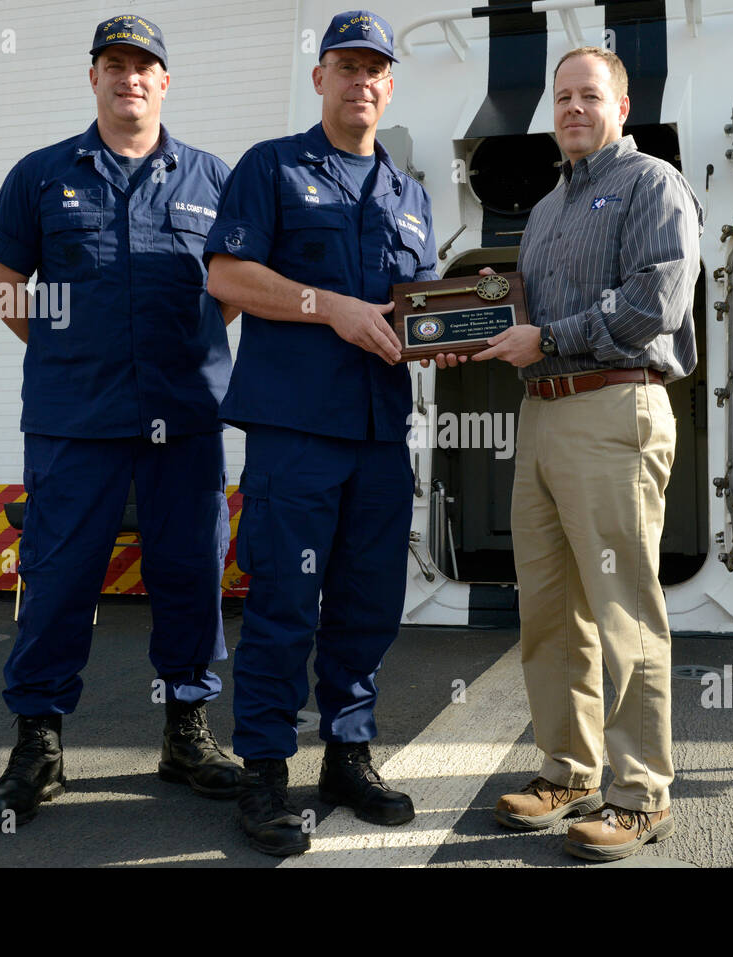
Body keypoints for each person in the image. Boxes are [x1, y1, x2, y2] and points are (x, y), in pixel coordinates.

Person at [0, 15, 244, 829]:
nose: (131, 77)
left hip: (185, 419)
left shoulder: (213, 177)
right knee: (56, 579)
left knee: (191, 574)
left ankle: (186, 732)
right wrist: (68, 349)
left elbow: (232, 286)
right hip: (73, 423)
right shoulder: (40, 175)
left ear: (165, 82)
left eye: (146, 66)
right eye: (115, 64)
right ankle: (38, 744)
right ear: (92, 77)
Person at [204, 10, 437, 857]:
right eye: (347, 66)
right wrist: (326, 306)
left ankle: (347, 752)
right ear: (321, 79)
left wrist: (460, 329)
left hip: (380, 435)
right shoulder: (272, 167)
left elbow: (419, 311)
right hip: (297, 431)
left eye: (376, 69)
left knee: (368, 605)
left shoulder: (411, 194)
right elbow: (227, 274)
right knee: (283, 606)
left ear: (387, 85)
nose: (362, 81)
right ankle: (266, 768)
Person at [469, 46, 704, 861]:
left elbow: (653, 303)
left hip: (614, 405)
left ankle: (641, 795)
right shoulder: (543, 210)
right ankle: (568, 769)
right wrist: (478, 334)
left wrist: (548, 338)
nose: (572, 108)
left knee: (623, 609)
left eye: (589, 96)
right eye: (562, 97)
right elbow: (523, 313)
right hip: (543, 414)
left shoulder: (652, 186)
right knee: (550, 608)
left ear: (622, 105)